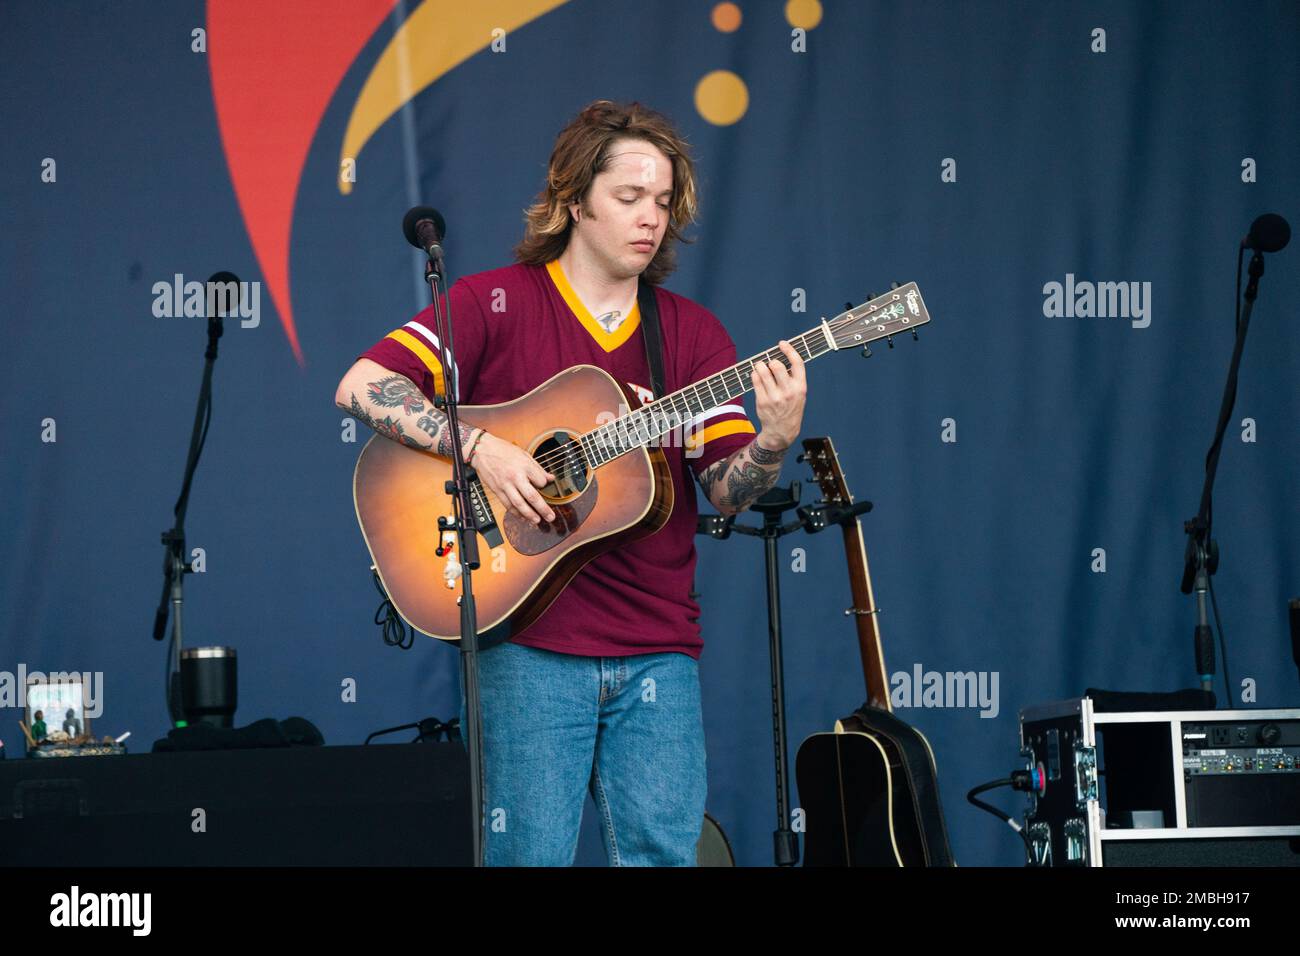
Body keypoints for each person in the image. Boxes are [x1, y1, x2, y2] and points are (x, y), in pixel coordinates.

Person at [335, 100, 807, 865]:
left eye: (662, 202)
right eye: (629, 198)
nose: (649, 218)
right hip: (527, 645)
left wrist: (776, 440)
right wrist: (483, 448)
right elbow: (362, 385)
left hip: (658, 647)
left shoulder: (693, 335)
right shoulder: (497, 304)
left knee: (662, 856)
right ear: (574, 200)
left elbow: (726, 489)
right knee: (529, 858)